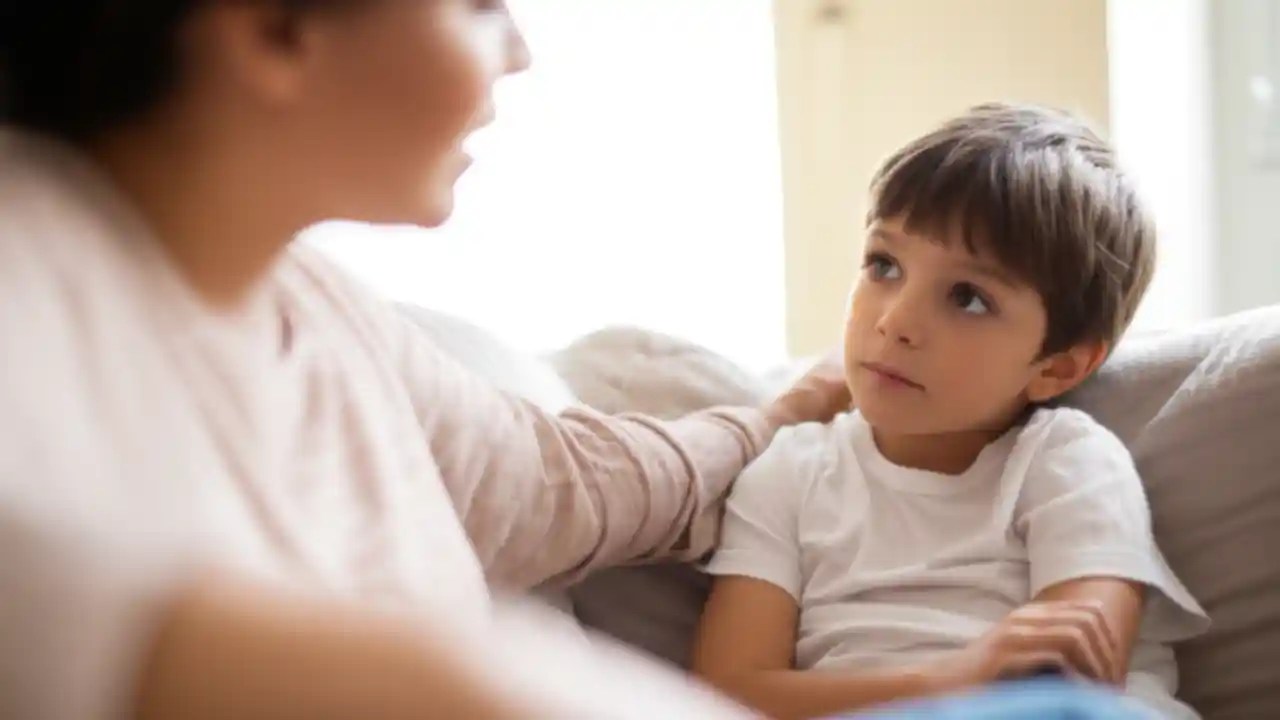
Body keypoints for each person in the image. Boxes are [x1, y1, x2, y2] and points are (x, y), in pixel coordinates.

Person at [0, 2, 854, 718]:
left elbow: (554, 481)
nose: (518, 50)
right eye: (479, 4)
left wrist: (771, 426)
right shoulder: (34, 271)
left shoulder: (319, 305)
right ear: (274, 32)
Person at [692, 104, 1211, 720]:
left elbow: (1078, 669)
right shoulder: (789, 471)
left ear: (1059, 367)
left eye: (968, 298)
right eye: (884, 265)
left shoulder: (1067, 459)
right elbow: (727, 695)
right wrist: (952, 681)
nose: (896, 321)